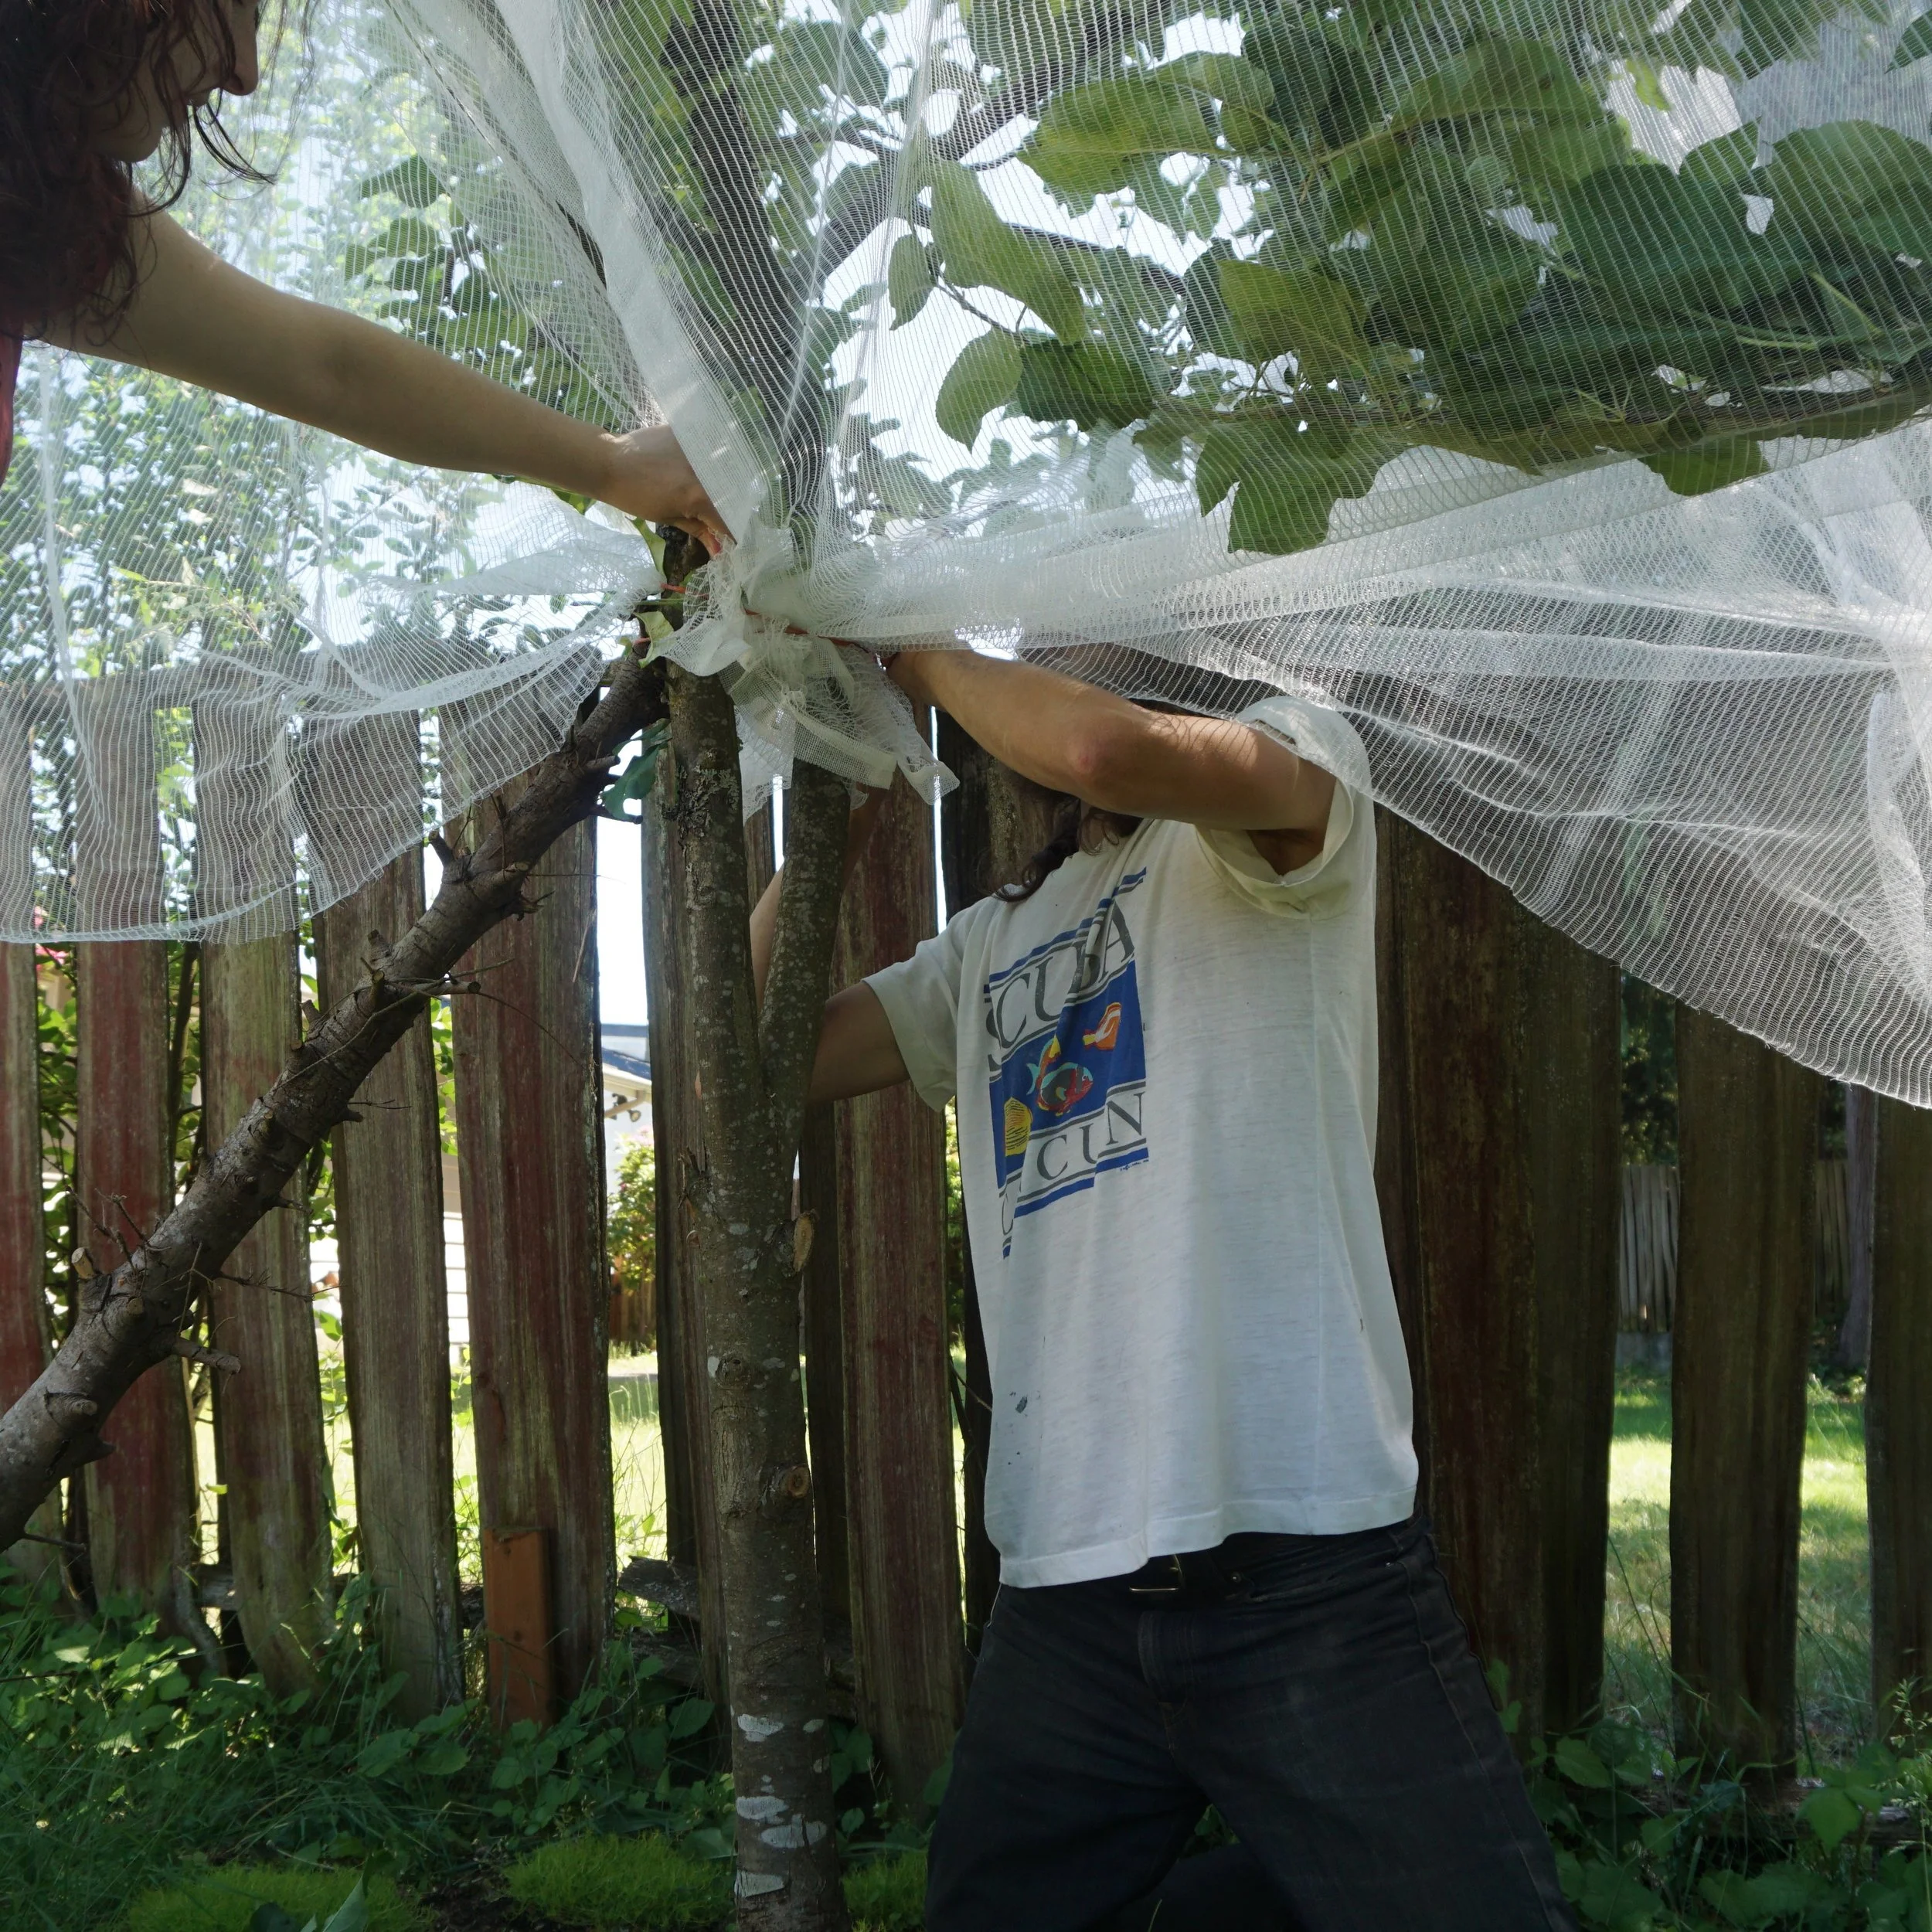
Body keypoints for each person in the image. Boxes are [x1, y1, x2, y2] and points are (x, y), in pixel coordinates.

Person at [750, 648, 1579, 1931]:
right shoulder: (992, 944)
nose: (1056, 656)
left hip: (1302, 1563)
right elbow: (767, 1048)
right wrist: (851, 775)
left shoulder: (1293, 801)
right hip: (1064, 1591)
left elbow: (1102, 752)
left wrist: (908, 646)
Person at [0, 0, 723, 539]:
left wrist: (617, 466)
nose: (245, 73)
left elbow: (329, 370)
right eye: (242, 8)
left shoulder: (46, 210)